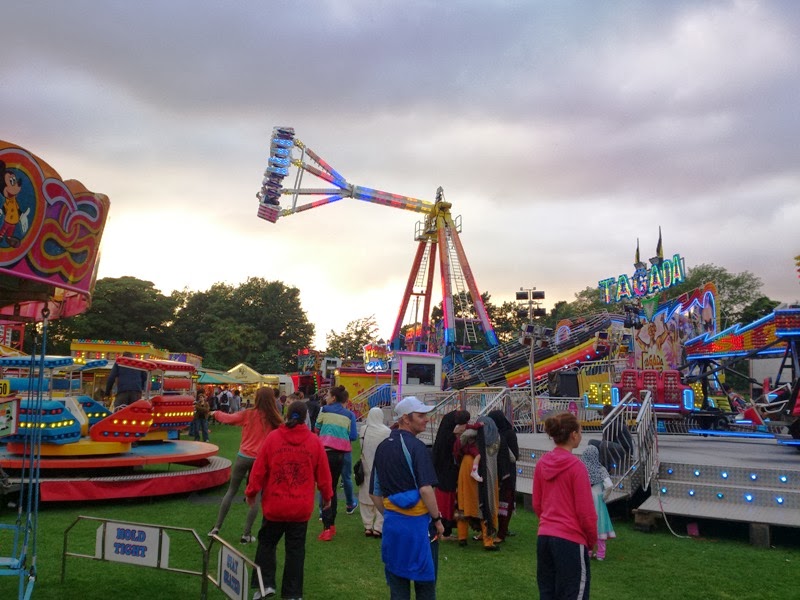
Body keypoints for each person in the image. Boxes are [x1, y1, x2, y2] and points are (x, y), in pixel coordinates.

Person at [245, 400, 333, 600]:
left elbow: (258, 470)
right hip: (299, 508)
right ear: (305, 418)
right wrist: (327, 497)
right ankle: (292, 594)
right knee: (295, 551)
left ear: (286, 415)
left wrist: (251, 492)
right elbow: (324, 475)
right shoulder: (313, 441)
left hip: (275, 505)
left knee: (266, 544)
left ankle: (264, 584)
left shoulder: (273, 438)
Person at [370, 396, 444, 599]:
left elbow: (374, 493)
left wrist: (394, 514)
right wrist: (437, 520)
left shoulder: (382, 446)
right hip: (421, 528)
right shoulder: (418, 448)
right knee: (426, 586)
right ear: (406, 418)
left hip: (393, 527)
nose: (426, 419)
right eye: (421, 415)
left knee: (398, 586)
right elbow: (426, 490)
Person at [534, 412, 597, 600]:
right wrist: (591, 539)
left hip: (545, 537)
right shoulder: (576, 467)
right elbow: (585, 511)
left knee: (548, 593)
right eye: (580, 431)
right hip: (569, 539)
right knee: (573, 593)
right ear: (573, 435)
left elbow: (538, 504)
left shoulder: (541, 463)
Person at [208, 386, 284, 544]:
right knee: (255, 495)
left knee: (231, 491)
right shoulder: (275, 418)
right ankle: (246, 534)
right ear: (272, 399)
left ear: (256, 398)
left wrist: (215, 413)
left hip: (243, 456)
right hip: (261, 461)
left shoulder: (248, 414)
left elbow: (229, 418)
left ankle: (216, 527)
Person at [315, 385, 358, 541]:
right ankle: (331, 524)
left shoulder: (325, 410)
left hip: (326, 453)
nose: (325, 397)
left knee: (327, 488)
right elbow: (353, 436)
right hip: (341, 454)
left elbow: (317, 428)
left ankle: (327, 527)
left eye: (327, 395)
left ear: (333, 398)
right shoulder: (349, 414)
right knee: (334, 485)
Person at [431, 410, 471, 538]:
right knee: (445, 502)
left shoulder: (444, 436)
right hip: (446, 475)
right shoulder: (448, 438)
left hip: (446, 474)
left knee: (447, 501)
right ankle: (443, 530)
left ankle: (445, 529)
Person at [358, 406, 391, 537]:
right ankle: (378, 527)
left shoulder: (363, 430)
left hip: (365, 465)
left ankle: (367, 525)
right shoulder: (387, 431)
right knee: (381, 495)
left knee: (365, 495)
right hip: (382, 467)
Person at [488, 409, 519, 542]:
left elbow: (515, 455)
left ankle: (502, 532)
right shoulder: (493, 434)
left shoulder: (509, 434)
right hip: (496, 470)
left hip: (507, 472)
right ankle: (494, 529)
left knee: (506, 502)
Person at [581, 445, 615, 561]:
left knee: (587, 526)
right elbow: (609, 485)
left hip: (586, 501)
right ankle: (601, 553)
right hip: (598, 501)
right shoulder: (601, 470)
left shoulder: (582, 469)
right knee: (600, 526)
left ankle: (588, 552)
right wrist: (604, 497)